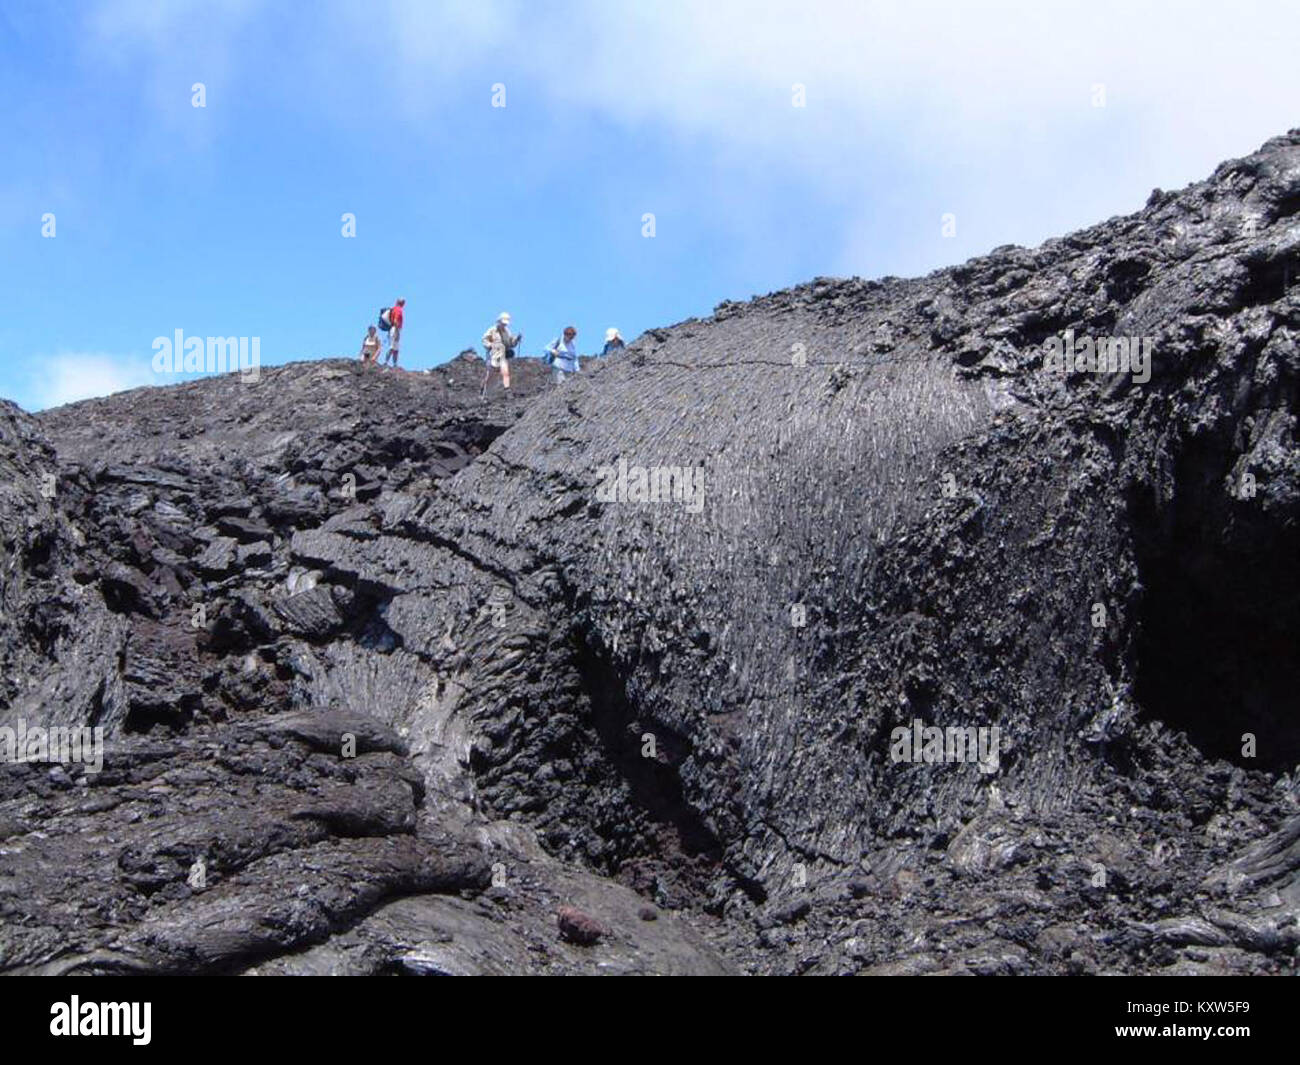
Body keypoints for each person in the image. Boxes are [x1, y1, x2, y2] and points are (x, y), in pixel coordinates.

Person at [481, 312, 519, 394]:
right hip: (493, 355)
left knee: (505, 372)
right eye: (503, 323)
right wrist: (491, 345)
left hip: (502, 354)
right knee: (491, 375)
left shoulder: (507, 332)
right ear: (499, 321)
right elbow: (484, 340)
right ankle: (483, 389)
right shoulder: (492, 330)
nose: (504, 325)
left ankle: (507, 390)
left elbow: (510, 344)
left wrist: (516, 340)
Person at [384, 297, 406, 368]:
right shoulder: (398, 310)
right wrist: (397, 332)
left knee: (396, 348)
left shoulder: (394, 309)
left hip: (393, 329)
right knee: (392, 347)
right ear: (402, 303)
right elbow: (396, 321)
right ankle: (386, 362)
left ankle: (394, 364)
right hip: (395, 329)